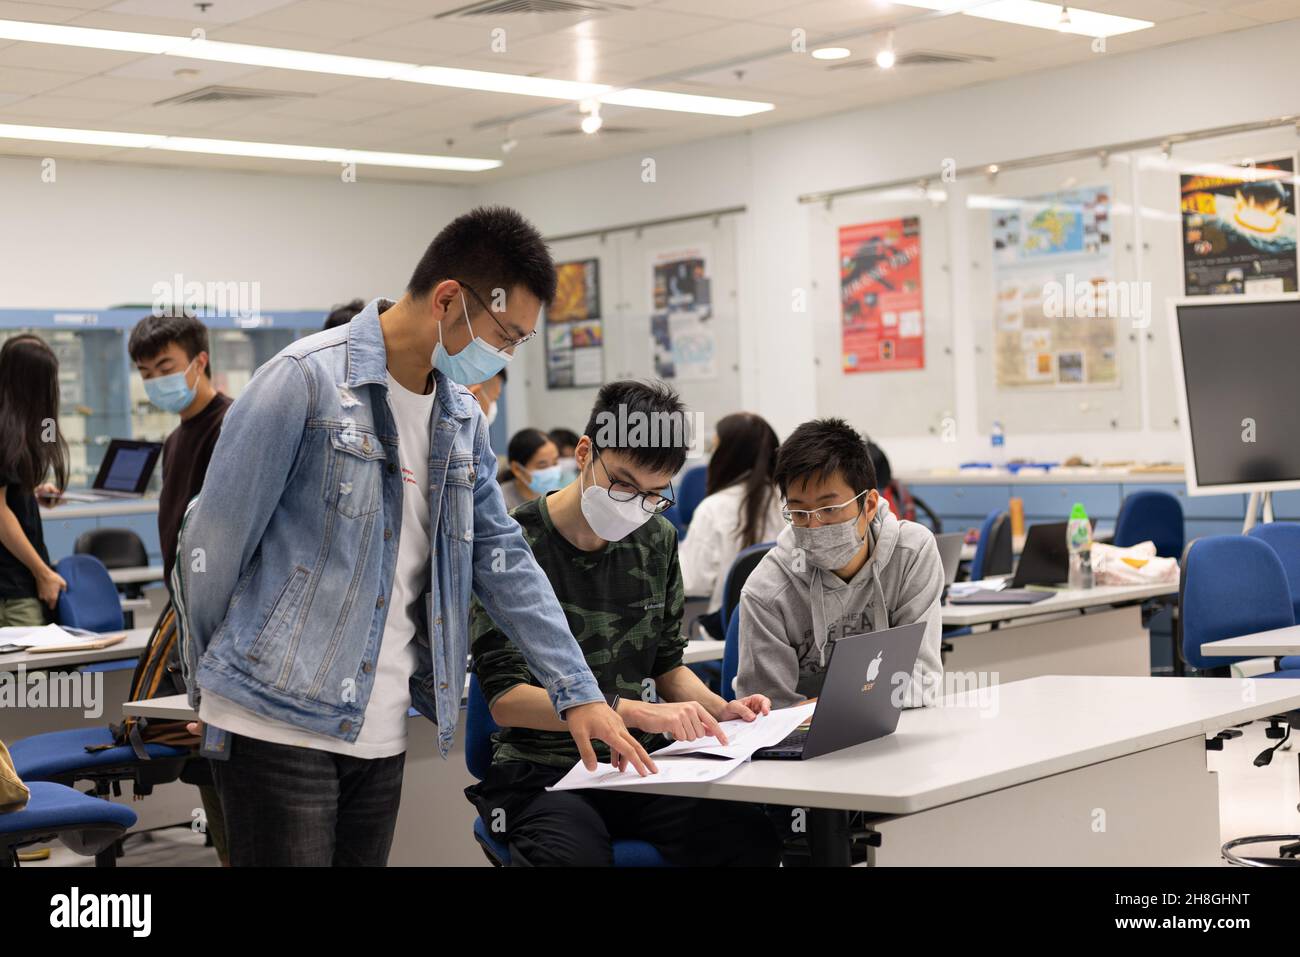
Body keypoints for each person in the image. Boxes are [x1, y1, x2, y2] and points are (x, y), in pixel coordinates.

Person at [176, 206, 654, 867]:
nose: (505, 356)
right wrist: (209, 684)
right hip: (273, 718)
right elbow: (211, 544)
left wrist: (579, 691)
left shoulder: (460, 418)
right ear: (449, 300)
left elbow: (505, 562)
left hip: (379, 724)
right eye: (505, 335)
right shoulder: (305, 380)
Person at [466, 380, 780, 866]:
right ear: (585, 451)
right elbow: (506, 702)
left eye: (654, 494)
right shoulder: (513, 545)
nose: (635, 504)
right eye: (624, 484)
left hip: (640, 765)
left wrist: (721, 711)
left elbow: (667, 667)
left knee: (751, 838)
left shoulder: (655, 540)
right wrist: (632, 711)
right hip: (543, 773)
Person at [736, 418, 944, 709]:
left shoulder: (910, 553)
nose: (814, 525)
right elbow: (768, 709)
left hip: (893, 732)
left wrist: (836, 708)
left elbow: (923, 678)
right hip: (806, 747)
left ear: (869, 505)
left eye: (829, 509)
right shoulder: (767, 590)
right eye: (799, 513)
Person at [127, 310, 233, 866]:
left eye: (164, 366)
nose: (155, 380)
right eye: (144, 372)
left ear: (199, 359)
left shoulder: (233, 427)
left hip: (226, 631)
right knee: (207, 772)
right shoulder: (175, 440)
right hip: (188, 629)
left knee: (232, 783)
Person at [679, 412, 783, 635]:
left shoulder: (713, 509)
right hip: (785, 630)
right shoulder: (790, 503)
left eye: (714, 448)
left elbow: (692, 582)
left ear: (728, 455)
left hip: (728, 640)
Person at [0, 335, 68, 627]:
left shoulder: (11, 429)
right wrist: (42, 573)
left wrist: (29, 493)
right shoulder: (5, 434)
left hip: (13, 587)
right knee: (27, 674)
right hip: (11, 592)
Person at [500, 427, 561, 511]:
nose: (551, 470)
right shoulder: (501, 501)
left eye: (555, 463)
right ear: (517, 469)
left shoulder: (557, 496)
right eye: (542, 466)